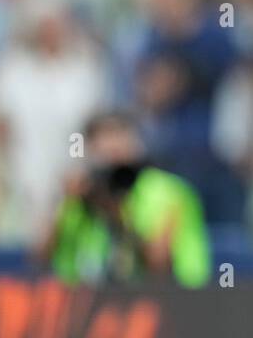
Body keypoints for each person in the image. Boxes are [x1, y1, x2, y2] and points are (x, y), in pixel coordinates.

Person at [46, 112, 212, 287]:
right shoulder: (81, 197)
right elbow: (41, 257)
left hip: (174, 302)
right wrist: (60, 200)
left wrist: (113, 213)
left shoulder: (169, 193)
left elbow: (159, 264)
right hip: (93, 302)